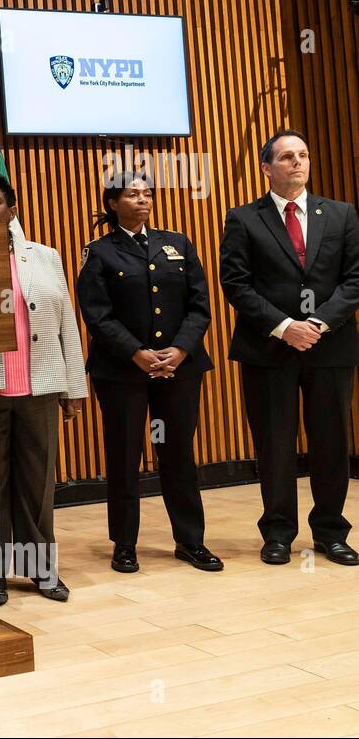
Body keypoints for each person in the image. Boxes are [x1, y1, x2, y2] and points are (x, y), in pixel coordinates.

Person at [219, 129, 359, 566]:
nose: (297, 162)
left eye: (303, 154)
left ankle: (331, 532)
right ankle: (278, 533)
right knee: (275, 444)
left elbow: (354, 279)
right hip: (269, 350)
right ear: (267, 168)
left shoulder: (341, 214)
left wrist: (317, 323)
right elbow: (236, 283)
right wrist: (284, 327)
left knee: (331, 443)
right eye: (286, 157)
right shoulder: (244, 218)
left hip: (329, 346)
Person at [77, 173, 221, 574]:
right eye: (132, 194)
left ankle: (191, 541)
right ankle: (124, 544)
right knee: (125, 455)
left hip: (178, 369)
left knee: (178, 453)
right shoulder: (99, 252)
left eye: (147, 194)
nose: (143, 200)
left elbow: (200, 305)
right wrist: (135, 352)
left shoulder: (177, 243)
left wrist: (180, 349)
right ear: (112, 203)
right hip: (122, 371)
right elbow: (97, 314)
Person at [0, 174, 86, 604]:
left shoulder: (44, 256)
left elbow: (66, 322)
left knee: (37, 485)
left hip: (40, 387)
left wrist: (74, 386)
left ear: (12, 211)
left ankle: (41, 569)